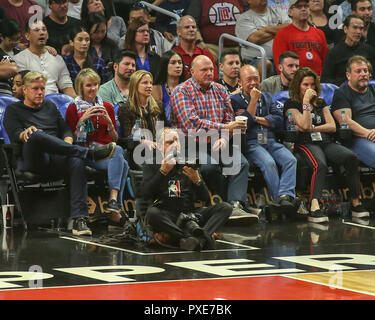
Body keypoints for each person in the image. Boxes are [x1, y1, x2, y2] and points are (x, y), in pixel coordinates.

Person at [3, 71, 117, 235]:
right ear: (25, 90)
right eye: (35, 88)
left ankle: (80, 220)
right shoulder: (13, 110)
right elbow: (15, 134)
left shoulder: (50, 106)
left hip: (57, 156)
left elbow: (65, 130)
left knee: (76, 161)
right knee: (36, 134)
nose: (40, 92)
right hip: (34, 159)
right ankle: (87, 153)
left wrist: (68, 141)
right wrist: (25, 133)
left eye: (42, 88)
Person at [169, 55, 260, 221]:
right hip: (190, 143)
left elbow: (228, 118)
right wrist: (225, 128)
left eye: (211, 69)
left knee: (241, 163)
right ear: (192, 72)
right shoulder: (181, 91)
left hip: (218, 141)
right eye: (204, 70)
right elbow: (192, 124)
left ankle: (235, 205)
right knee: (209, 167)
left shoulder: (220, 90)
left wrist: (225, 137)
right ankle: (219, 205)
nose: (209, 73)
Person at [284, 67, 369, 222]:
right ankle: (314, 206)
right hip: (305, 143)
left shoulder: (321, 102)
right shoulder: (291, 103)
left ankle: (356, 202)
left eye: (312, 85)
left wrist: (312, 128)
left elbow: (332, 126)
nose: (310, 89)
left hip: (325, 141)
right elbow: (303, 124)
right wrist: (305, 103)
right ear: (298, 86)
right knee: (319, 164)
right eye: (305, 85)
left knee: (351, 157)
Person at [143, 127, 232, 251]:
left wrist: (198, 181)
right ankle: (196, 237)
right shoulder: (152, 164)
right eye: (169, 142)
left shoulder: (188, 162)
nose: (175, 145)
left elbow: (205, 198)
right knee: (152, 213)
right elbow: (145, 194)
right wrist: (162, 172)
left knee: (225, 207)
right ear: (159, 146)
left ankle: (195, 239)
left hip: (190, 214)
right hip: (168, 215)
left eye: (177, 141)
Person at [65, 68, 129, 227]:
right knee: (121, 158)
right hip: (87, 153)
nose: (93, 89)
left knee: (118, 152)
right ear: (81, 87)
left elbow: (115, 138)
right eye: (88, 85)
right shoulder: (73, 108)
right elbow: (70, 139)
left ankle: (113, 203)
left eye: (95, 85)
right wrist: (83, 119)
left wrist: (108, 121)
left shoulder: (106, 106)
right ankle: (115, 210)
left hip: (107, 152)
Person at [231, 65, 299, 211]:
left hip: (270, 140)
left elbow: (278, 119)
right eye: (248, 80)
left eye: (256, 79)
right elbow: (244, 124)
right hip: (251, 143)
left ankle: (285, 196)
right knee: (269, 163)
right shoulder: (234, 100)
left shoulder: (267, 97)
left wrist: (256, 118)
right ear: (240, 82)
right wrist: (253, 102)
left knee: (290, 160)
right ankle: (279, 202)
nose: (253, 83)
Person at [331, 55, 375, 168]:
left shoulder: (373, 89)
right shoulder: (341, 94)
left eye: (365, 71)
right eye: (358, 71)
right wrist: (370, 134)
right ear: (348, 75)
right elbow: (346, 122)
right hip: (358, 139)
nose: (363, 74)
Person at [13, 20, 76, 97]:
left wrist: (76, 102)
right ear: (27, 36)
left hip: (56, 103)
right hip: (32, 104)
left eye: (44, 29)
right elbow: (23, 89)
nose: (41, 33)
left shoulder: (57, 58)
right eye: (36, 30)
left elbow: (67, 86)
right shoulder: (19, 59)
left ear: (48, 35)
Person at [235, 0, 291, 79]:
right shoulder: (244, 18)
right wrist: (278, 29)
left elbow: (290, 27)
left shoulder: (277, 12)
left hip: (281, 58)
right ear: (249, 1)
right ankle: (261, 90)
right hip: (255, 60)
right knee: (265, 63)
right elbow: (255, 39)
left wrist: (265, 29)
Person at [272, 0, 329, 76]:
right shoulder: (282, 34)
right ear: (290, 12)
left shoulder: (319, 33)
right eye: (299, 6)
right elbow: (281, 66)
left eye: (306, 6)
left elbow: (326, 62)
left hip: (318, 81)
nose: (303, 9)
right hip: (294, 82)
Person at [118, 70, 166, 150]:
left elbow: (165, 127)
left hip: (160, 147)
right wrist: (143, 141)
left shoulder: (159, 105)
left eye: (150, 83)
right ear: (135, 85)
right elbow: (128, 138)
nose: (149, 86)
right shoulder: (126, 109)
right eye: (145, 83)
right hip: (139, 151)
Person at [321, 15, 375, 86]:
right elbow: (325, 81)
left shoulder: (369, 50)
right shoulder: (334, 53)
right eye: (355, 28)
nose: (358, 32)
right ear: (345, 29)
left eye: (361, 28)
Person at [172, 15, 218, 81]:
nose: (191, 29)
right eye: (187, 27)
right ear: (178, 32)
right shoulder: (172, 55)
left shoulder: (206, 54)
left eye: (193, 27)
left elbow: (214, 79)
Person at [152, 50, 185, 124]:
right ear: (165, 66)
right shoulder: (156, 88)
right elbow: (157, 118)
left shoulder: (188, 88)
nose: (178, 66)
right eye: (173, 63)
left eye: (180, 62)